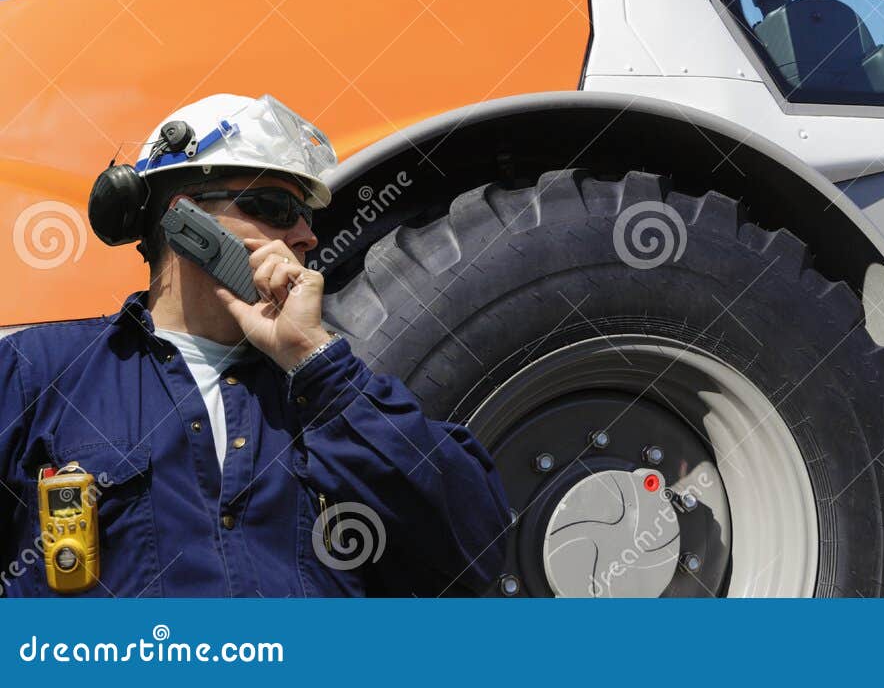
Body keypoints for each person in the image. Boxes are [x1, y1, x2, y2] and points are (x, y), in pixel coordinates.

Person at [0, 93, 511, 596]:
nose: (306, 235)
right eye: (276, 207)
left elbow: (477, 550)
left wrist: (316, 366)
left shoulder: (339, 394)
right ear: (186, 222)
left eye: (308, 217)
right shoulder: (39, 375)